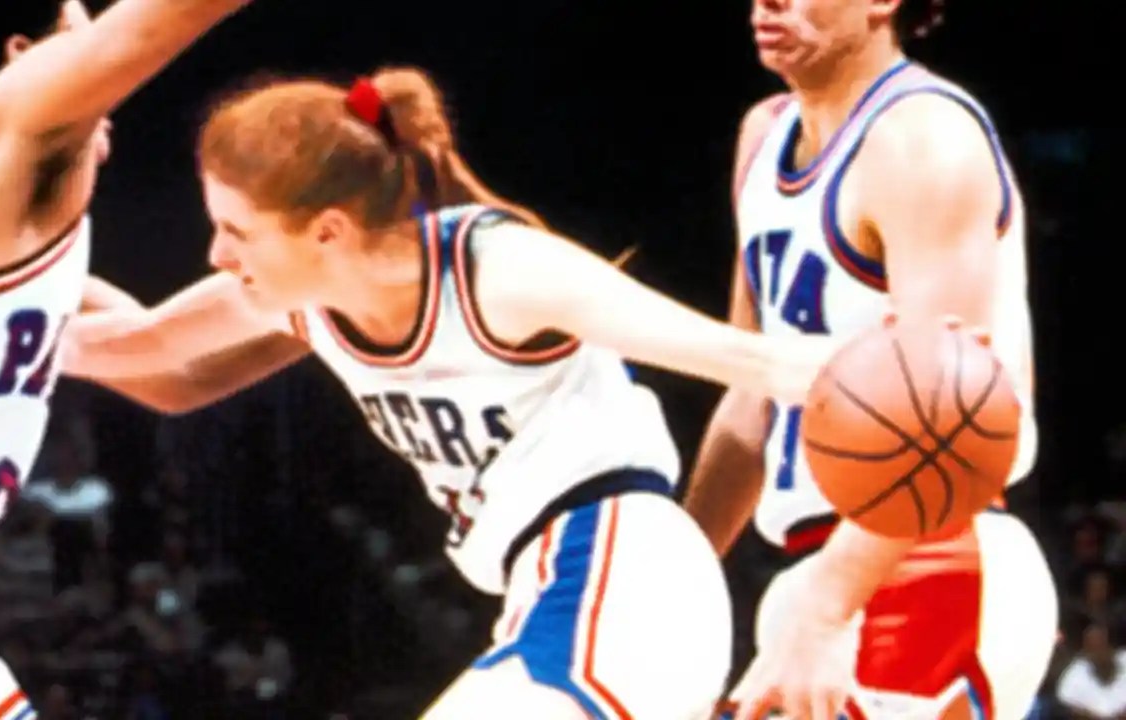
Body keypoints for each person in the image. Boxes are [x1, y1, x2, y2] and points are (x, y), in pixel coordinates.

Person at [59, 68, 840, 718]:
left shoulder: (500, 272)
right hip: (551, 597)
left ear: (327, 231)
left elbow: (750, 361)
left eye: (237, 230)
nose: (217, 254)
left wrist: (898, 357)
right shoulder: (304, 300)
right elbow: (140, 344)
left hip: (622, 580)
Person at [0, 0, 250, 715]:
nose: (103, 51)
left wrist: (329, 298)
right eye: (82, 26)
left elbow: (173, 372)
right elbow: (154, 26)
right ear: (23, 57)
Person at [682, 1, 1058, 719]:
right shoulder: (762, 136)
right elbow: (750, 395)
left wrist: (829, 606)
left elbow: (947, 412)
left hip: (932, 552)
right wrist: (674, 582)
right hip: (818, 570)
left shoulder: (923, 136)